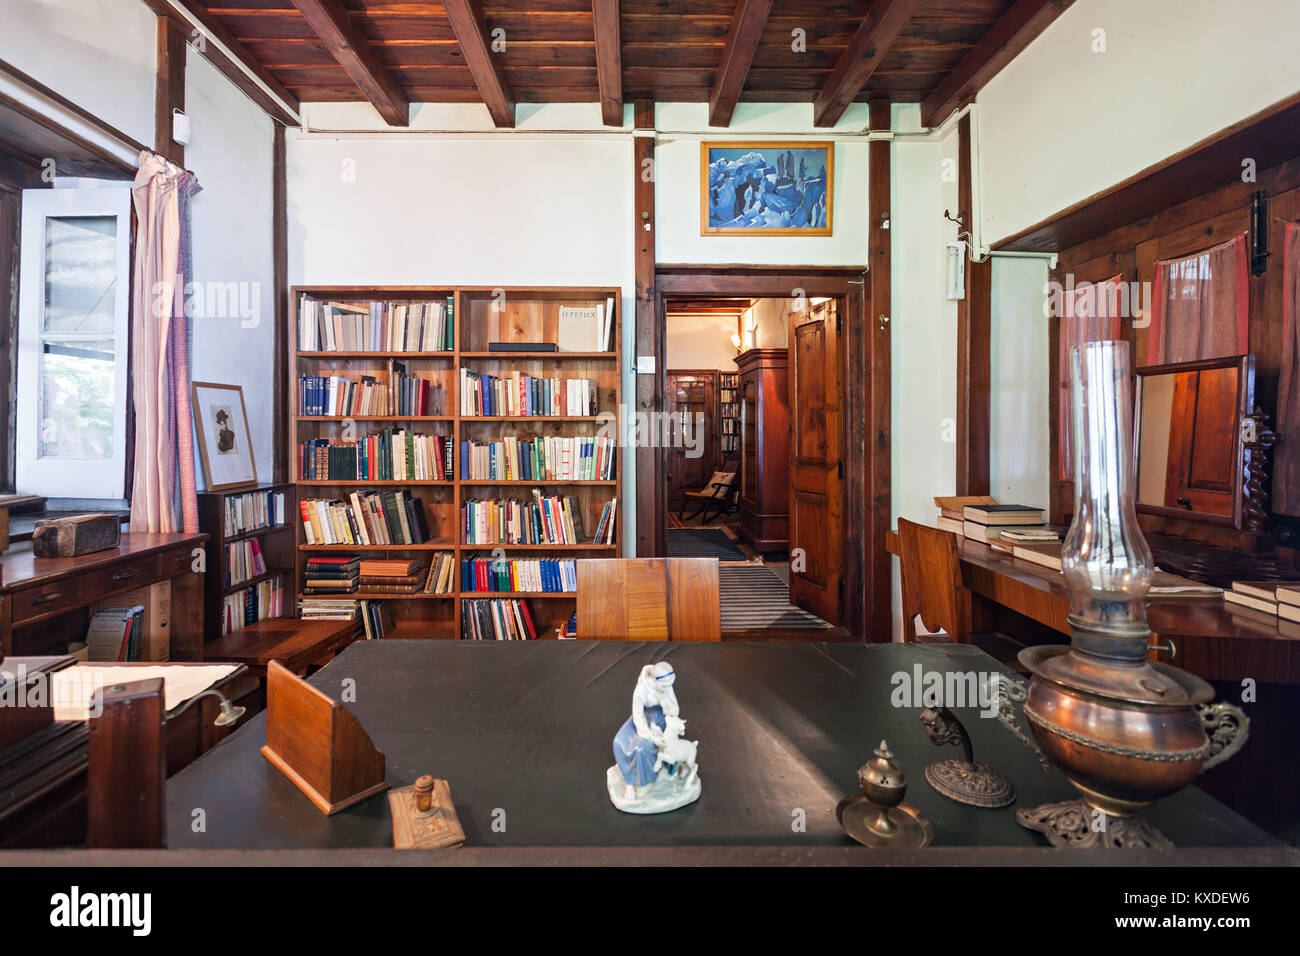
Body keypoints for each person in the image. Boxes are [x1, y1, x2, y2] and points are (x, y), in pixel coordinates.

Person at [612, 662, 680, 796]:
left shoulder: (667, 686)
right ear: (654, 680)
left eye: (670, 685)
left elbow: (675, 711)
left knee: (642, 748)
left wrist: (665, 703)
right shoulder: (641, 690)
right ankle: (629, 780)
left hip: (661, 718)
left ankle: (647, 780)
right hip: (642, 719)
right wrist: (649, 735)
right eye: (665, 686)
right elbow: (638, 716)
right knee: (619, 742)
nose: (668, 688)